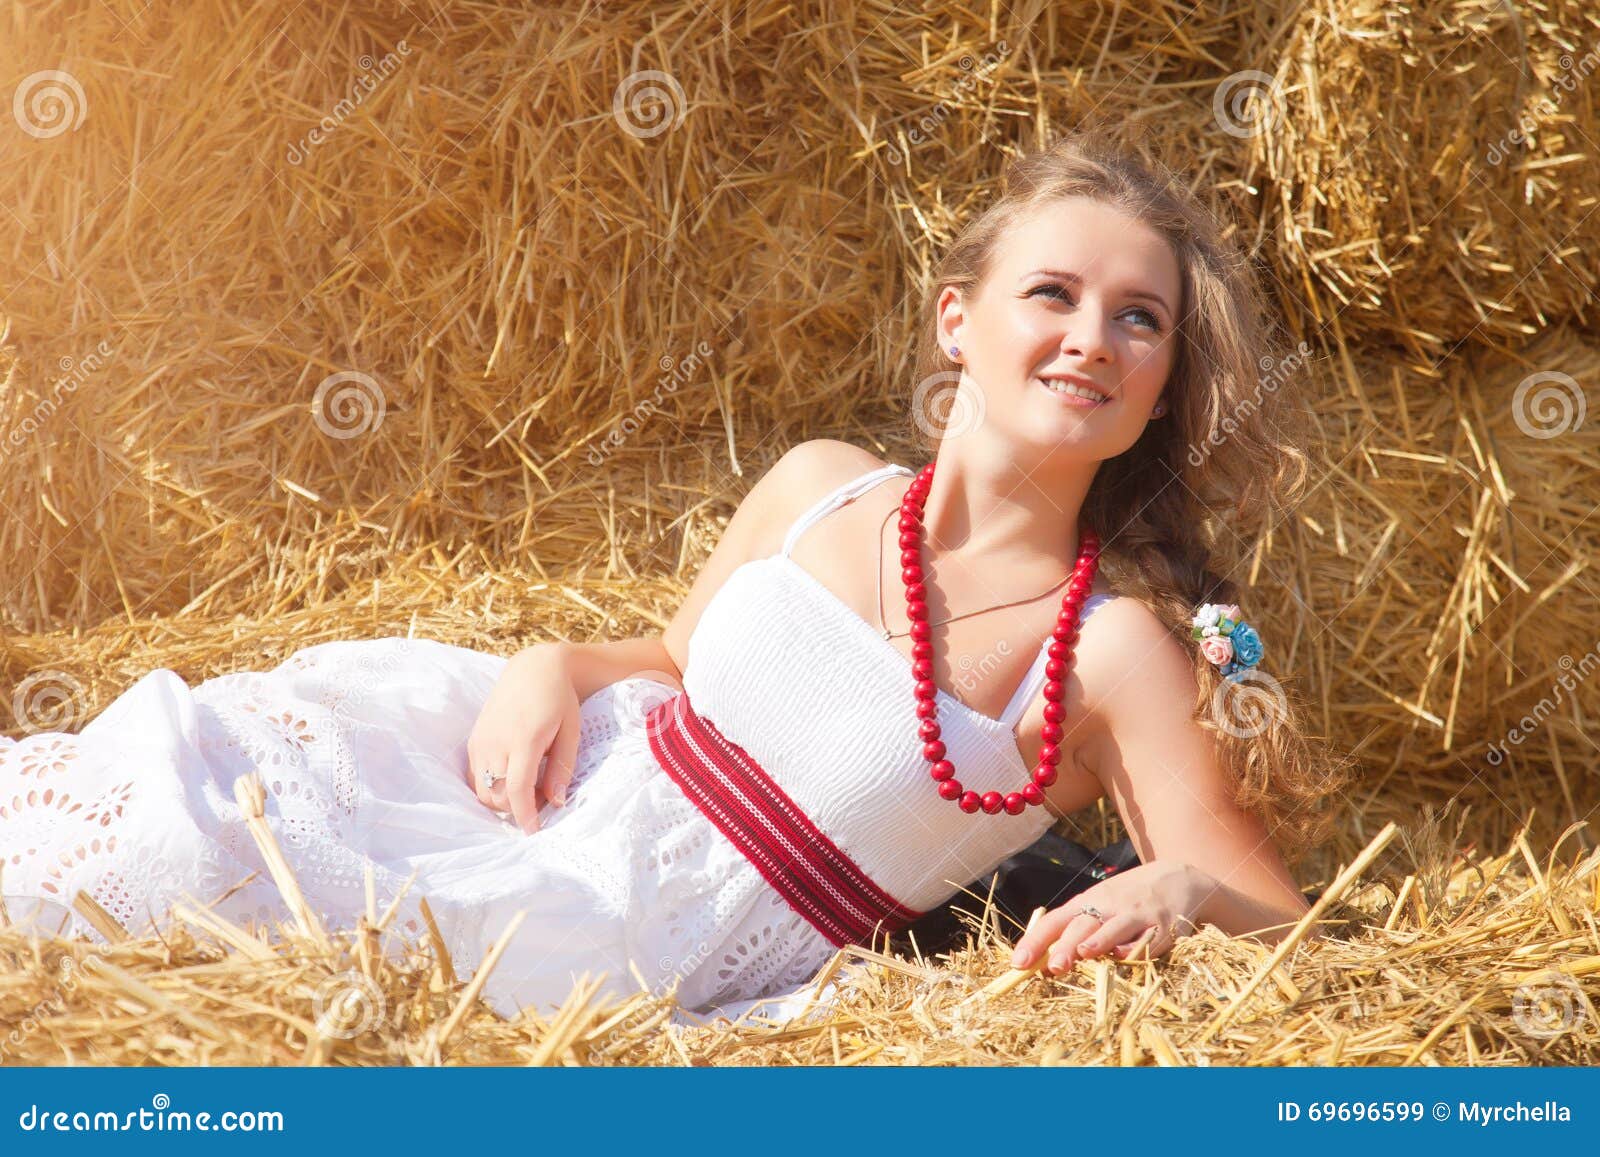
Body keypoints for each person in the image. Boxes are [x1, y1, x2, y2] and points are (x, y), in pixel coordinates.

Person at [0, 131, 1349, 1022]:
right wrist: (550, 665)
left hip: (638, 928)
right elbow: (667, 661)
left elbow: (1285, 921)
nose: (1090, 338)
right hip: (533, 773)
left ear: (1165, 377)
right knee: (171, 780)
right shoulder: (822, 477)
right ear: (961, 318)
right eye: (1052, 294)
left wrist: (1178, 888)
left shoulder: (1112, 650)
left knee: (244, 934)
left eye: (1140, 318)